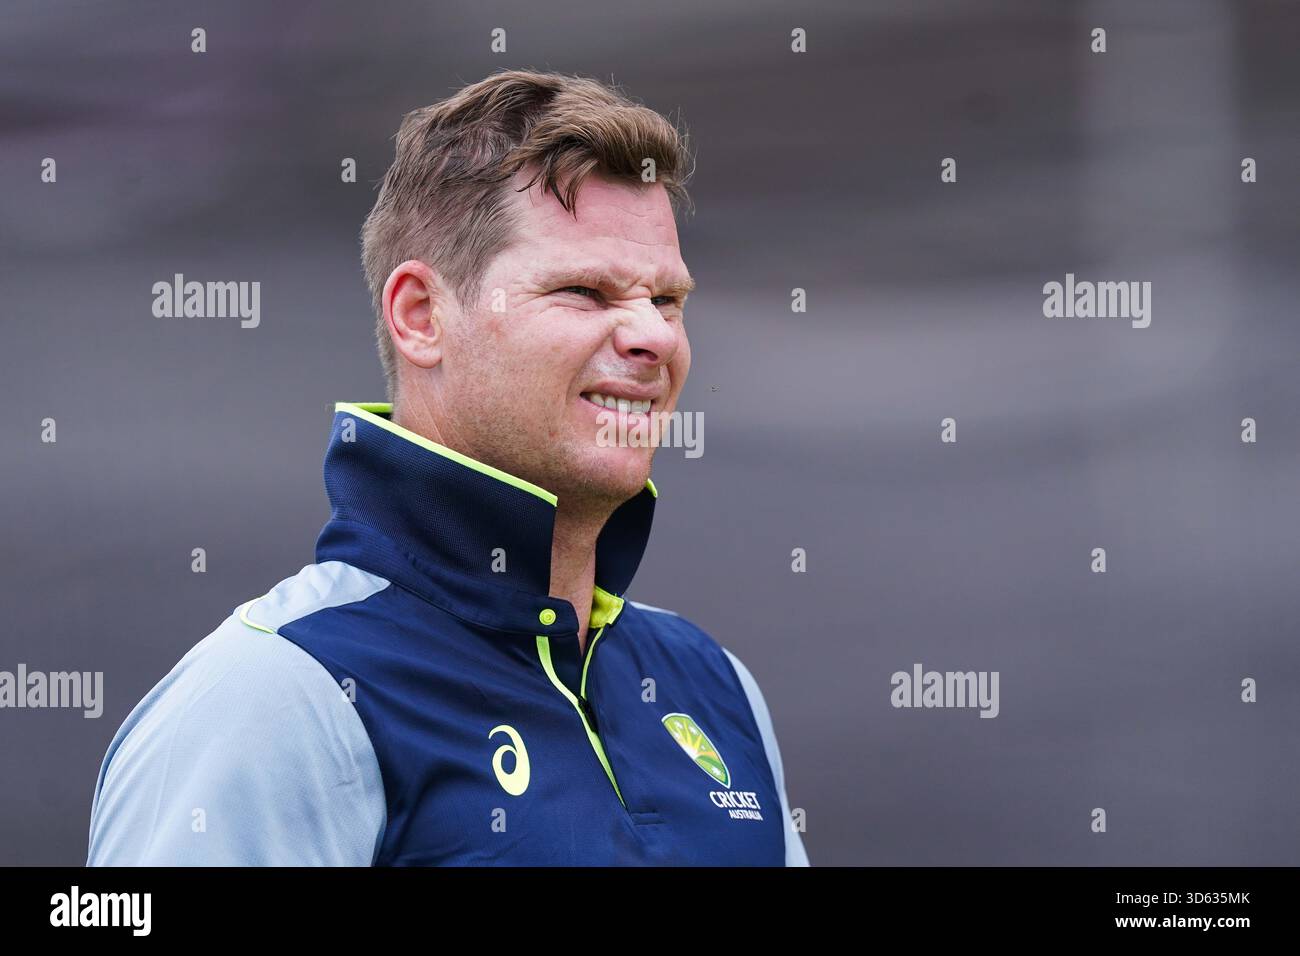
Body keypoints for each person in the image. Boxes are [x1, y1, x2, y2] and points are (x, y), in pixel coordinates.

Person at [87, 69, 809, 866]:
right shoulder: (277, 697)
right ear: (422, 317)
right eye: (584, 291)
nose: (656, 339)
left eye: (667, 301)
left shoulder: (714, 687)